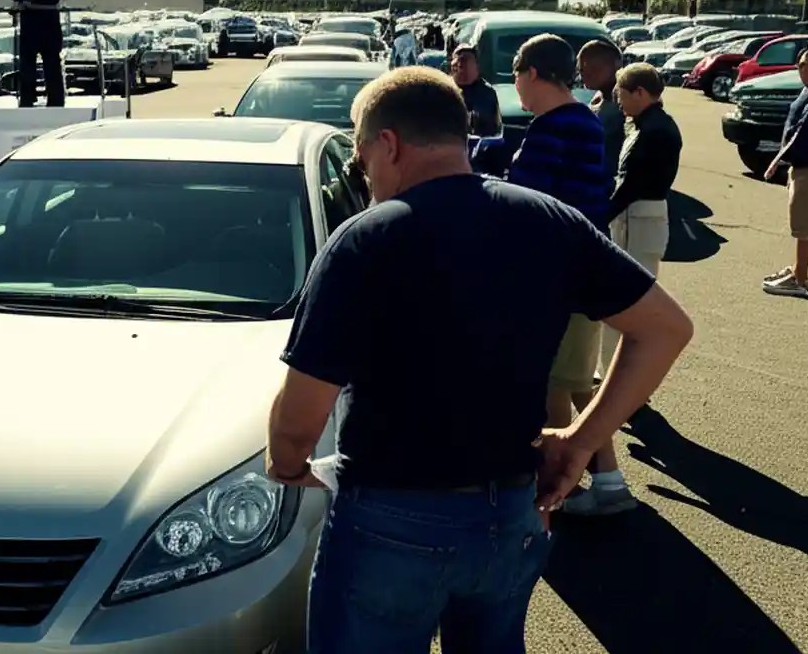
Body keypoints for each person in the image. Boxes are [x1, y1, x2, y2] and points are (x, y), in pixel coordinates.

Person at [266, 66, 693, 653]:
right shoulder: (549, 220)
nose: (365, 178)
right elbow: (666, 329)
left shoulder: (366, 240)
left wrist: (287, 463)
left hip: (391, 518)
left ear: (387, 144)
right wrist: (579, 436)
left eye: (362, 161)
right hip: (512, 515)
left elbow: (300, 415)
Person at [563, 62, 682, 517]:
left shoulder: (657, 131)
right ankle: (620, 385)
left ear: (640, 92)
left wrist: (605, 209)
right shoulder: (647, 123)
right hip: (634, 215)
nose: (616, 99)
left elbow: (634, 184)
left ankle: (631, 388)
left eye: (621, 92)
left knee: (631, 305)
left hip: (642, 216)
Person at [507, 34, 614, 435]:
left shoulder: (551, 128)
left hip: (560, 274)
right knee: (576, 382)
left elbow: (526, 202)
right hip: (584, 265)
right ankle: (607, 482)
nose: (515, 86)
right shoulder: (584, 119)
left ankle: (559, 482)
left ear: (532, 73)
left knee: (555, 384)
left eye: (516, 76)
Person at [762, 48, 808, 300]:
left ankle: (800, 279)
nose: (803, 70)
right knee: (804, 224)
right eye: (801, 65)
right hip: (801, 167)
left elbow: (801, 132)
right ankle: (798, 271)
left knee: (805, 226)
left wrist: (776, 160)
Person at [10, 0, 66, 108]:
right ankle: (27, 98)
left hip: (48, 27)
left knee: (51, 65)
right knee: (27, 64)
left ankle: (55, 100)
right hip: (30, 26)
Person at [578, 40, 626, 182]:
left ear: (615, 66)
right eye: (581, 69)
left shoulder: (625, 104)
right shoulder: (600, 95)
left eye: (594, 68)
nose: (585, 74)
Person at [450, 44, 502, 137]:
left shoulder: (487, 93)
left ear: (477, 67)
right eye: (458, 62)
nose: (461, 66)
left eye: (466, 61)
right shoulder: (446, 90)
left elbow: (492, 127)